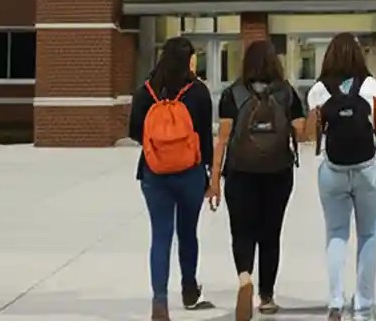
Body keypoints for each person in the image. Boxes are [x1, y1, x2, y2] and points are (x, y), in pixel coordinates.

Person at [207, 39, 306, 321]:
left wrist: (214, 179)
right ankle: (267, 297)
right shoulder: (286, 93)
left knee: (241, 230)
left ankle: (244, 278)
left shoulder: (233, 94)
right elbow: (301, 132)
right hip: (278, 173)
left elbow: (222, 140)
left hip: (240, 172)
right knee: (270, 233)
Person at [127, 36, 216, 321]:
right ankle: (189, 291)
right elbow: (204, 138)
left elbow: (133, 131)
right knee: (187, 233)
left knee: (160, 235)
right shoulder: (198, 92)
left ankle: (160, 303)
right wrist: (211, 173)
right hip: (190, 172)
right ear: (187, 59)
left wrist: (159, 142)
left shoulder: (146, 91)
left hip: (154, 174)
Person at [306, 33, 376, 321]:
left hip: (333, 170)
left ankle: (335, 301)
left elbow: (310, 135)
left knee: (336, 233)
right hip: (367, 170)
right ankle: (364, 304)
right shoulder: (371, 86)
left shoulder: (318, 89)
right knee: (369, 234)